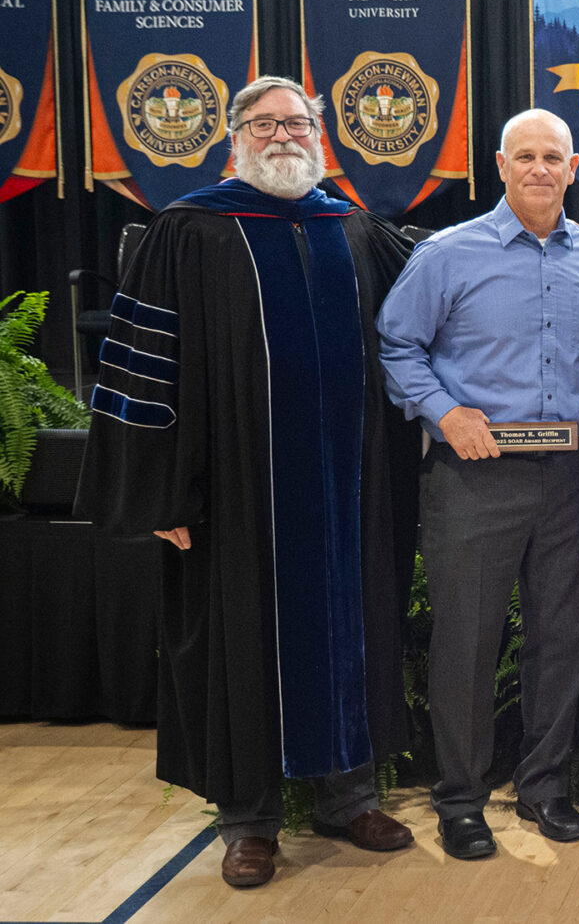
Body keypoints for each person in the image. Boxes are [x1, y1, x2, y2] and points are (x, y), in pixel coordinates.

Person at [75, 75, 420, 888]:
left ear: (319, 134)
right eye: (262, 123)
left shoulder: (356, 228)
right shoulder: (190, 229)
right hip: (234, 496)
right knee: (242, 640)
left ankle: (348, 795)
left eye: (295, 122)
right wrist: (163, 495)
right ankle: (248, 820)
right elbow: (143, 369)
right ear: (232, 135)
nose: (281, 136)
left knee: (348, 631)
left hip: (345, 492)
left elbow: (442, 318)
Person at [376, 109, 579, 860]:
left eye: (553, 156)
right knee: (467, 641)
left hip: (569, 476)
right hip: (473, 475)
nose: (540, 168)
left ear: (573, 167)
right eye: (526, 156)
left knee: (561, 638)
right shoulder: (449, 254)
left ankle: (545, 787)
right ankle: (460, 798)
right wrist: (444, 412)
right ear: (501, 165)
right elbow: (396, 343)